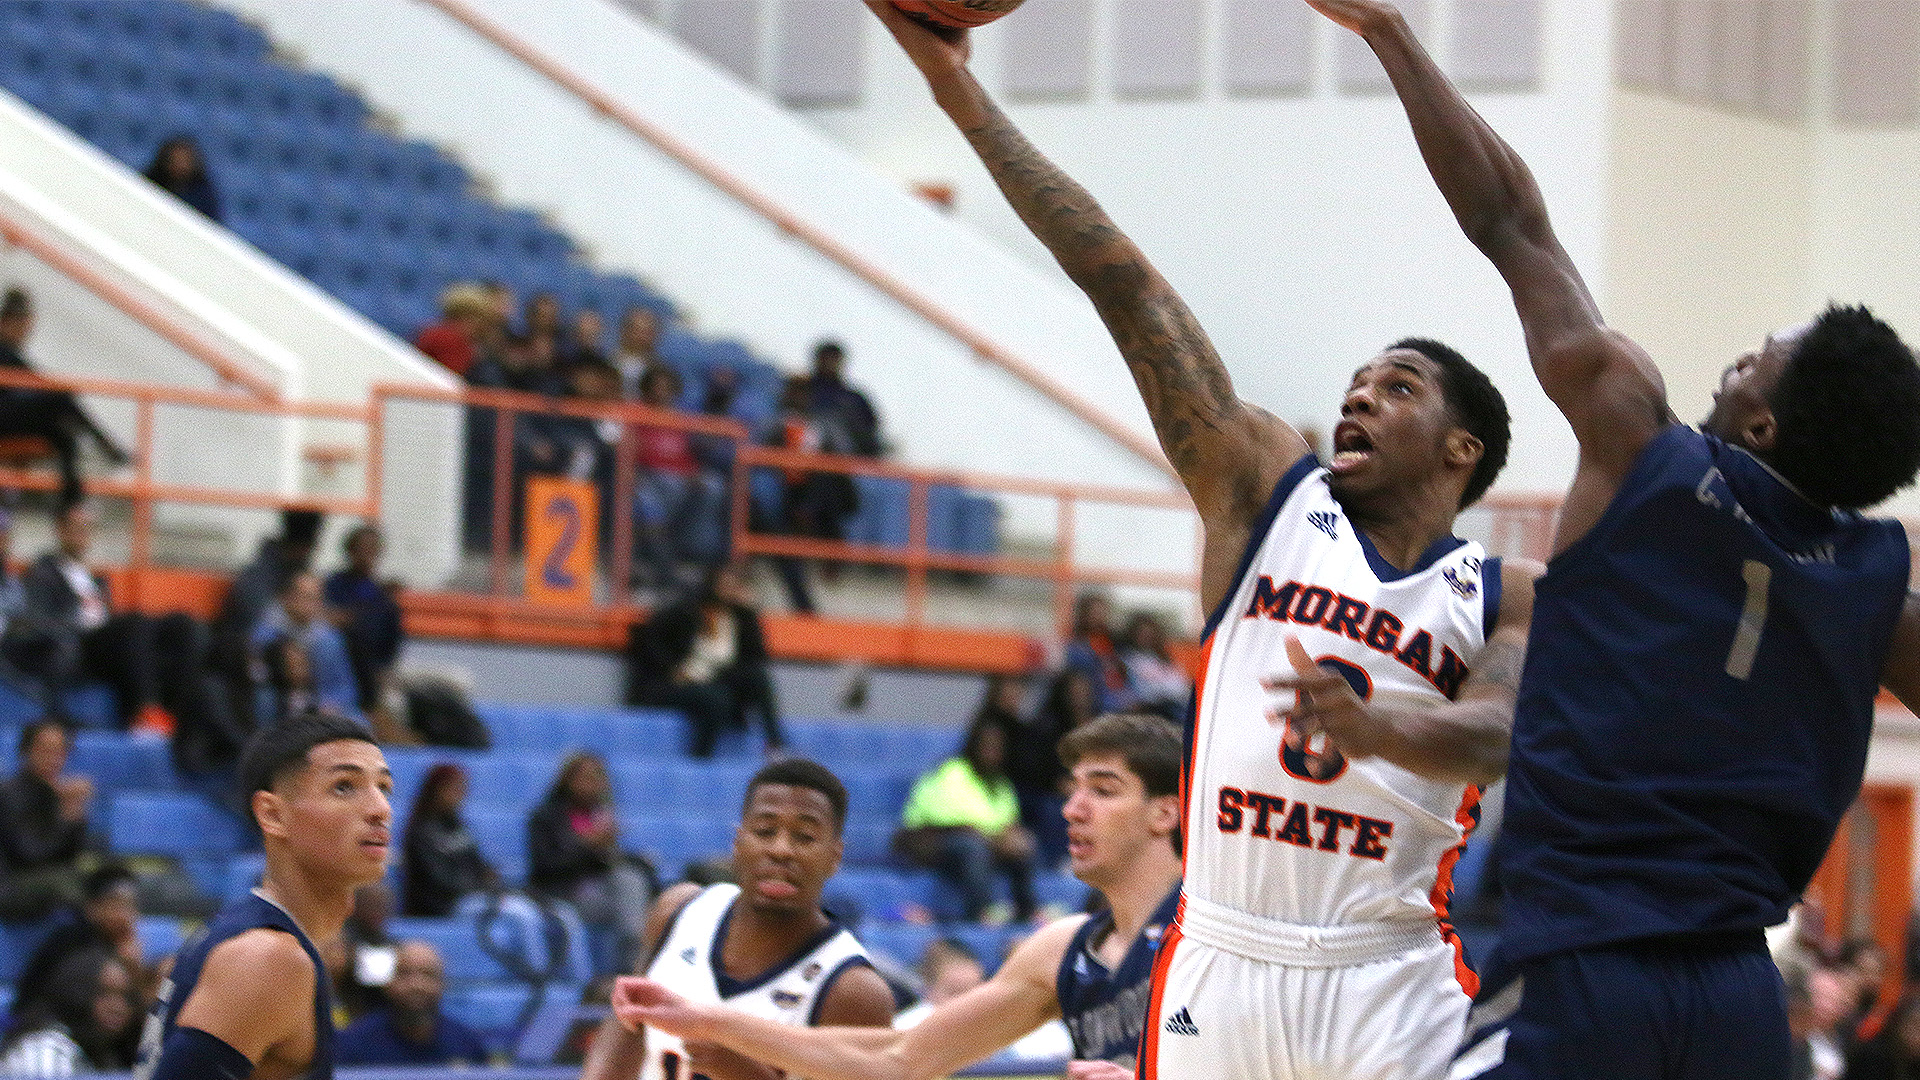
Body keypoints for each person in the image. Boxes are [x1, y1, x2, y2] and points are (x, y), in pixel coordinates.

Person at [864, 7, 1540, 1080]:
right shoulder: (1267, 491)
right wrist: (959, 95)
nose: (1359, 396)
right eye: (1356, 383)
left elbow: (1496, 733)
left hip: (1391, 977)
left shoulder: (1508, 591)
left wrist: (1378, 728)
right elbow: (1125, 286)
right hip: (1221, 961)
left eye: (1398, 387)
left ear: (1463, 449)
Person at [1310, 2, 1920, 1077]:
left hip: (1585, 973)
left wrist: (1389, 32)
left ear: (1761, 423)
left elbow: (1509, 220)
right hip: (1741, 1000)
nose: (1733, 363)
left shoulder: (1639, 445)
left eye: (1753, 361)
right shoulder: (1879, 588)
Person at [612, 712, 1187, 1080]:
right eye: (1073, 789)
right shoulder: (1059, 951)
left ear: (1166, 812)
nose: (1073, 809)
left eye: (1103, 791)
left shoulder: (1214, 936)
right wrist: (711, 1022)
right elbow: (899, 1057)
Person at [581, 757, 897, 1080]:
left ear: (834, 856)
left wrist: (740, 1070)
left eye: (804, 837)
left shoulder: (853, 992)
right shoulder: (678, 911)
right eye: (765, 831)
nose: (781, 850)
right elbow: (627, 1024)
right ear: (738, 842)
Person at [135, 711, 392, 1080]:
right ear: (272, 814)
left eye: (383, 787)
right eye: (344, 787)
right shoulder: (268, 959)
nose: (380, 809)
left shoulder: (259, 937)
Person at [624, 562, 783, 758]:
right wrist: (673, 669)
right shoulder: (683, 612)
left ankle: (776, 746)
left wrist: (750, 612)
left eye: (735, 585)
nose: (730, 590)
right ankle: (701, 757)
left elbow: (756, 656)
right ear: (712, 584)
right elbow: (647, 642)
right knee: (716, 698)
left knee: (757, 677)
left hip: (716, 679)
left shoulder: (740, 618)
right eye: (726, 584)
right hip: (676, 681)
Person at [895, 708, 1037, 924]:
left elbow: (1008, 823)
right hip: (932, 840)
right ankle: (981, 913)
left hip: (985, 843)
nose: (992, 753)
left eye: (997, 748)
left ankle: (1026, 911)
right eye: (987, 747)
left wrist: (1013, 838)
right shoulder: (952, 771)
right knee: (971, 847)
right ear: (974, 746)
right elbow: (953, 822)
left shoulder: (1000, 782)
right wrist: (996, 839)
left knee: (1024, 845)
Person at [526, 752, 657, 975]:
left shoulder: (600, 814)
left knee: (630, 878)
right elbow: (546, 867)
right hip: (563, 893)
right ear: (568, 780)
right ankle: (634, 967)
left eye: (598, 777)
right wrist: (588, 845)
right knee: (630, 902)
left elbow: (606, 865)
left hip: (602, 891)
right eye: (586, 777)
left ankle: (633, 953)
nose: (593, 783)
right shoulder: (546, 817)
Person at [0, 288, 129, 504]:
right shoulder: (5, 351)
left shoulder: (11, 353)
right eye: (21, 326)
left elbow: (36, 383)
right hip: (5, 420)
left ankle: (70, 504)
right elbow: (38, 383)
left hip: (12, 417)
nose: (25, 332)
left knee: (62, 433)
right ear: (7, 322)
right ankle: (102, 442)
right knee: (59, 396)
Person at [13, 862, 148, 1018]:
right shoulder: (69, 941)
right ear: (92, 908)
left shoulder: (126, 947)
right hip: (45, 1024)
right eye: (116, 905)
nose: (125, 915)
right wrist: (121, 968)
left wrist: (134, 970)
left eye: (129, 906)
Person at [336, 940, 488, 1067]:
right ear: (388, 983)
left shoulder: (467, 1044)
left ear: (443, 984)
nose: (416, 985)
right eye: (405, 973)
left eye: (428, 974)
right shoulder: (353, 1044)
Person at [0, 720, 91, 922]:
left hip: (50, 881)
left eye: (60, 751)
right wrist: (67, 819)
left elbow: (71, 856)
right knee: (69, 884)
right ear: (26, 751)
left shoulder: (59, 793)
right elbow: (30, 855)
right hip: (12, 884)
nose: (53, 758)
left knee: (107, 882)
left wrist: (76, 819)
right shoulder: (9, 793)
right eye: (45, 750)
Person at [0, 949, 139, 1076]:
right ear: (75, 993)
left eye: (126, 996)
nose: (117, 1007)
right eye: (104, 993)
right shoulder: (46, 1049)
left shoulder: (105, 1054)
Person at [251, 572, 359, 720]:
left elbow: (345, 686)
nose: (310, 605)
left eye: (316, 599)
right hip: (278, 700)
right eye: (305, 597)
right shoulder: (264, 634)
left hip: (320, 704)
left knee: (358, 721)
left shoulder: (328, 639)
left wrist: (331, 704)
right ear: (287, 597)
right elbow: (257, 675)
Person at [323, 524, 405, 719]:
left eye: (372, 550)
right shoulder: (333, 586)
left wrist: (384, 670)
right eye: (362, 549)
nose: (367, 556)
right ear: (350, 551)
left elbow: (391, 641)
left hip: (374, 671)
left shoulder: (383, 596)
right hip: (339, 669)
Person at [400, 762, 500, 918]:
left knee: (520, 906)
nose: (460, 794)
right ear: (436, 790)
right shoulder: (421, 832)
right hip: (438, 907)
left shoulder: (458, 826)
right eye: (454, 788)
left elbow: (480, 866)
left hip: (469, 897)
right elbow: (439, 881)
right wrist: (478, 885)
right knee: (514, 914)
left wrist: (489, 878)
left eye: (462, 788)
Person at [799, 341, 882, 458]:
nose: (829, 363)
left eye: (833, 359)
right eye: (826, 358)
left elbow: (871, 430)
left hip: (846, 459)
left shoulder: (854, 398)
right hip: (806, 455)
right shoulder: (800, 391)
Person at [1062, 595, 1135, 717]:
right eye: (1094, 612)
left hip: (1124, 694)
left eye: (1102, 612)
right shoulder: (1076, 644)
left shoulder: (1115, 642)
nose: (1099, 617)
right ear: (1084, 615)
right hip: (1098, 693)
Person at [1119, 612, 1191, 722]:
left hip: (1179, 701)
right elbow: (1145, 690)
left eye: (1150, 634)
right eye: (1142, 634)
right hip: (1157, 708)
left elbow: (1182, 682)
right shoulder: (1130, 659)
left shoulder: (1163, 658)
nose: (1147, 637)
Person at [413, 283, 491, 379]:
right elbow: (450, 379)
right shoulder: (448, 339)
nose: (483, 324)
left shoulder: (435, 332)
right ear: (467, 316)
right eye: (481, 318)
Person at [142, 136, 221, 223]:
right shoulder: (148, 184)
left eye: (184, 161)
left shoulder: (204, 196)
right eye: (175, 160)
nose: (180, 166)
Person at [1847, 993, 1920, 1080]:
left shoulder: (1914, 1064)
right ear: (1899, 1024)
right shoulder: (1874, 1055)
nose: (1917, 1037)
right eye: (1915, 1026)